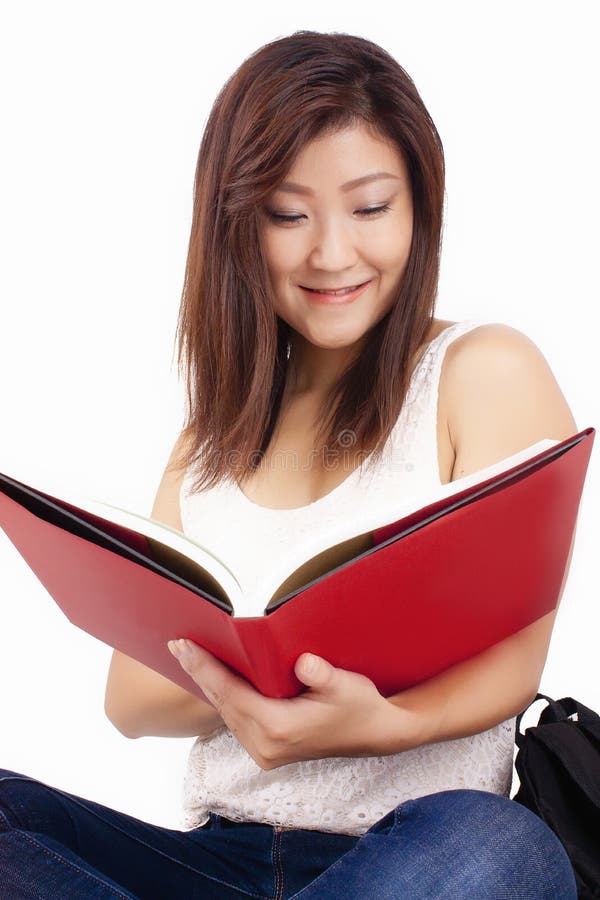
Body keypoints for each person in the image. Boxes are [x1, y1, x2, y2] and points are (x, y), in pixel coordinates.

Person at [0, 29, 580, 900]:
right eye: (287, 214)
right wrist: (282, 671)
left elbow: (513, 665)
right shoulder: (213, 438)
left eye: (371, 207)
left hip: (420, 853)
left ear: (420, 208)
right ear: (238, 221)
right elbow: (129, 698)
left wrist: (372, 725)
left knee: (497, 843)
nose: (333, 254)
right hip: (212, 863)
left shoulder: (481, 371)